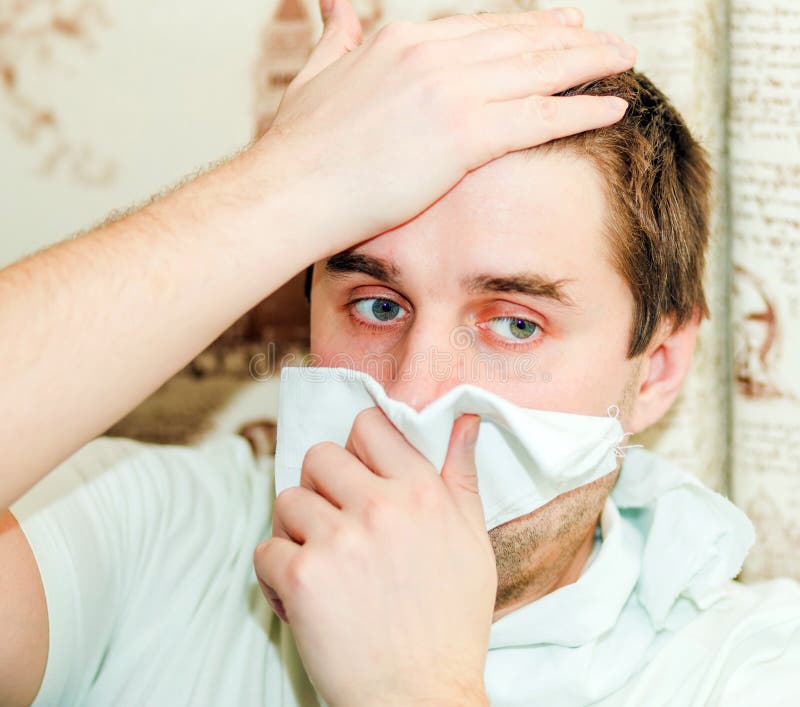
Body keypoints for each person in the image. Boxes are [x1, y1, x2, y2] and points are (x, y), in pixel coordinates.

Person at [0, 1, 797, 706]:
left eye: (515, 324)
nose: (413, 393)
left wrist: (412, 689)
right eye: (378, 306)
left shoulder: (750, 668)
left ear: (654, 368)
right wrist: (289, 181)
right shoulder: (157, 537)